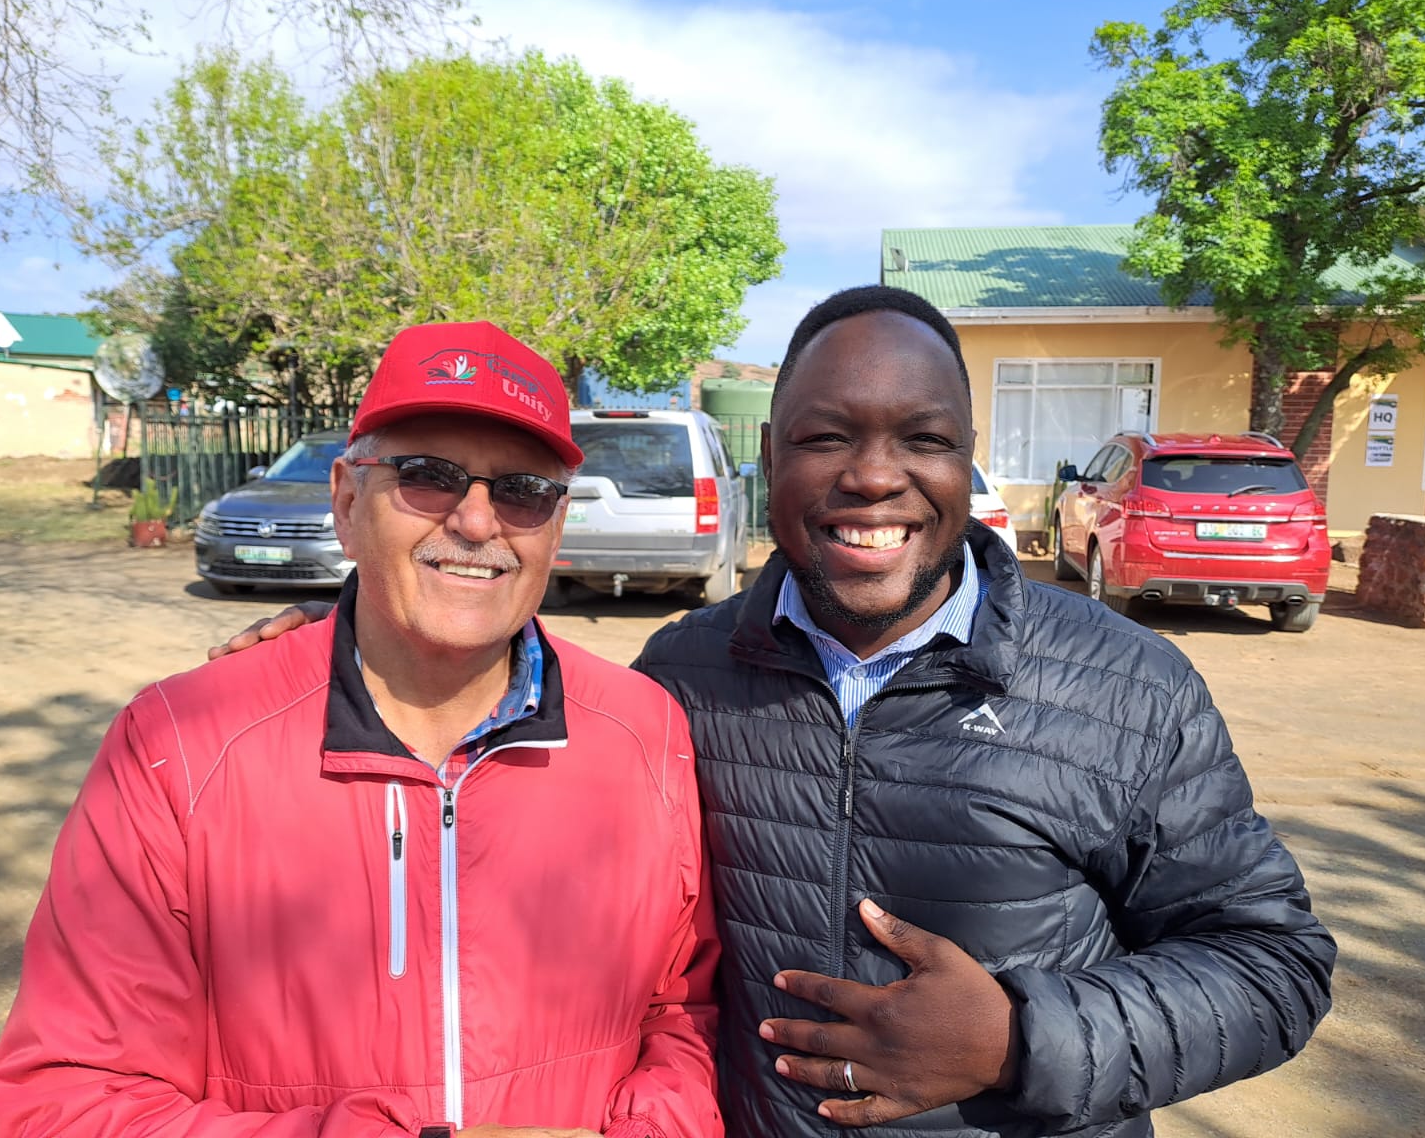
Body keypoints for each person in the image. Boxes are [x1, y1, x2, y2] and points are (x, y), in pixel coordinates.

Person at [208, 288, 1336, 1138]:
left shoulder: (1125, 686)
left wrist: (1018, 1040)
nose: (873, 476)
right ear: (766, 454)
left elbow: (1270, 964)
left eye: (923, 439)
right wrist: (350, 636)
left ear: (967, 460)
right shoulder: (679, 679)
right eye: (826, 436)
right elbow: (501, 687)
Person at [0, 322, 723, 1138]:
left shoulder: (644, 732)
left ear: (555, 526)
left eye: (523, 490)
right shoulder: (179, 745)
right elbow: (74, 1095)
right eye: (428, 478)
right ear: (345, 499)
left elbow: (684, 1005)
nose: (478, 523)